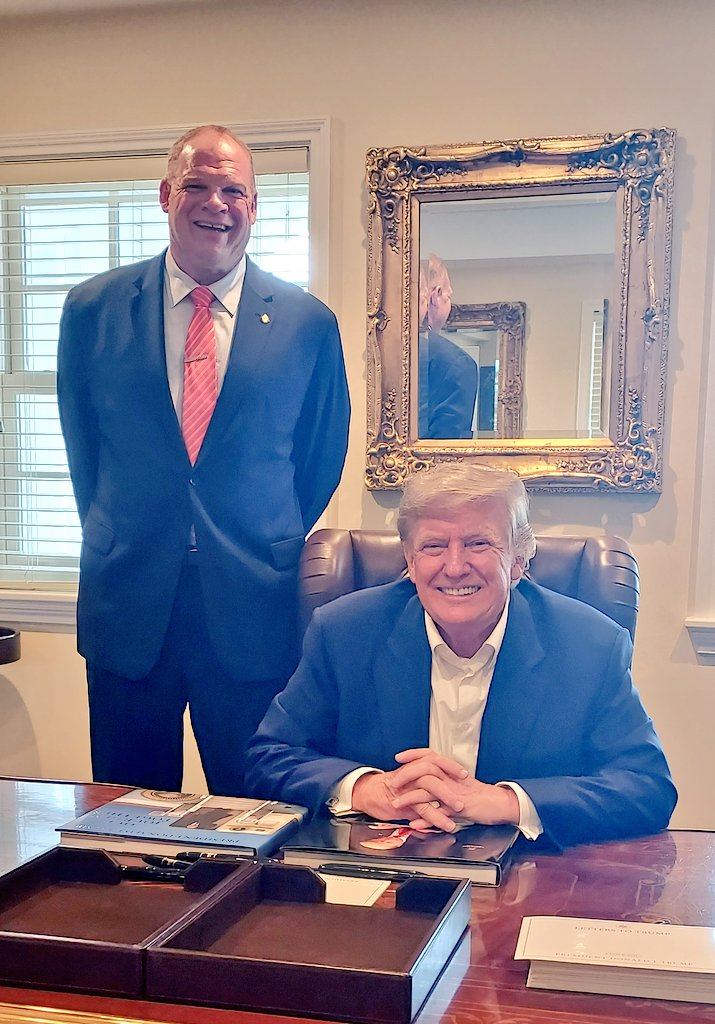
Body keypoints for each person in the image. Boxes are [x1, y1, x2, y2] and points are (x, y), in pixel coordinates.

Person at [58, 125, 350, 795]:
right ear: (166, 195)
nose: (215, 203)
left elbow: (319, 455)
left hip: (254, 600)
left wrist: (252, 531)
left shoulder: (307, 323)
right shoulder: (92, 309)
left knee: (257, 808)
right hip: (128, 598)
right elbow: (84, 450)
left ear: (254, 205)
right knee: (127, 813)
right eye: (196, 185)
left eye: (232, 190)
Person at [245, 463, 676, 849]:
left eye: (478, 543)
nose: (454, 567)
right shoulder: (345, 631)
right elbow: (269, 756)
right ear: (410, 561)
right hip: (380, 874)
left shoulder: (590, 645)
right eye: (434, 546)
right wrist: (365, 789)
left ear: (518, 560)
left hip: (528, 878)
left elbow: (646, 786)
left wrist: (506, 802)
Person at [418, 255, 478, 439]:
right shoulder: (456, 363)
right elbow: (448, 447)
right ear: (435, 296)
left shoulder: (377, 350)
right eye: (448, 296)